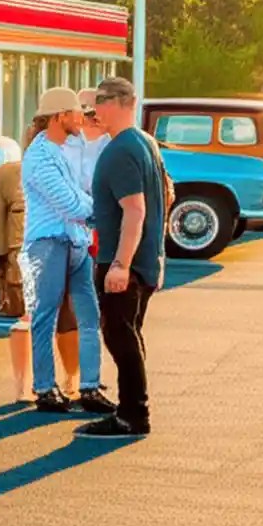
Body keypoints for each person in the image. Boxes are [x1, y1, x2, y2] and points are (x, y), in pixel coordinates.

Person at [79, 77, 168, 439]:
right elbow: (168, 196)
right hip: (143, 260)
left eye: (98, 102)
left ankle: (133, 415)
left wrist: (120, 264)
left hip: (124, 263)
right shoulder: (146, 143)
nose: (94, 111)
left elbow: (135, 209)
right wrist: (155, 254)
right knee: (128, 335)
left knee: (119, 336)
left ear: (117, 102)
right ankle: (131, 408)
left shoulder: (119, 150)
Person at [19, 88, 113, 414]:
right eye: (78, 113)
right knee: (46, 316)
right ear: (61, 116)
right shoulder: (39, 156)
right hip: (49, 244)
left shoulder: (60, 151)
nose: (83, 118)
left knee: (90, 317)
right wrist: (103, 213)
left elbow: (78, 194)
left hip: (76, 241)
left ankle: (89, 387)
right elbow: (71, 202)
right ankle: (44, 388)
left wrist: (91, 210)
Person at [0, 125, 80, 404]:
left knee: (65, 320)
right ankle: (26, 385)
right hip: (26, 258)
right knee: (30, 320)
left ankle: (70, 381)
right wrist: (0, 265)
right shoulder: (8, 174)